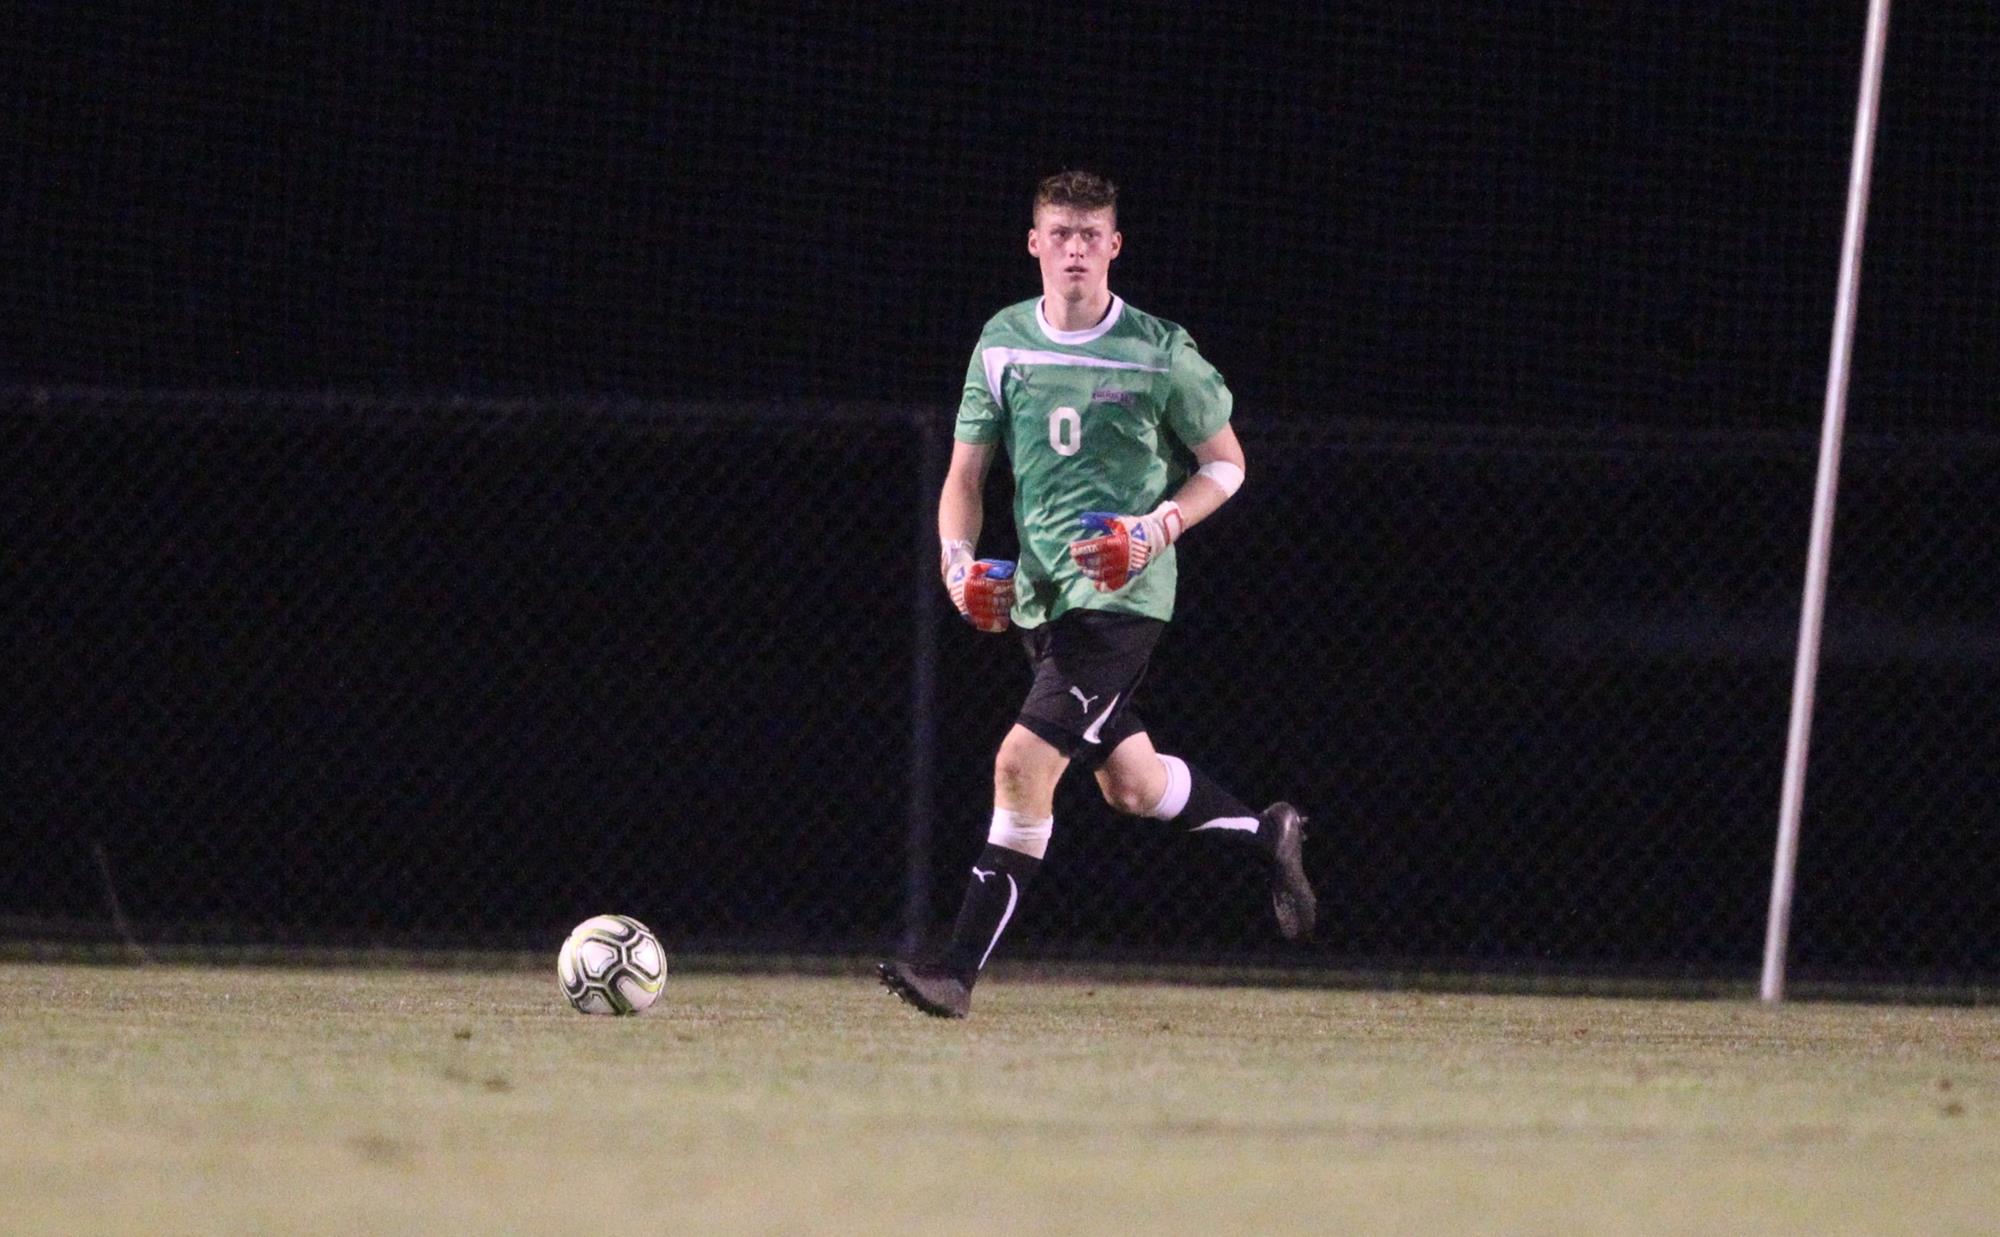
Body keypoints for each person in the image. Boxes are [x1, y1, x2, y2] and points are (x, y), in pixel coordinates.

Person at [879, 170, 1315, 1020]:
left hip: (1122, 601)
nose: (1076, 247)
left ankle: (955, 972)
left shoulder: (1159, 348)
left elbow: (1227, 463)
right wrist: (958, 562)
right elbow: (966, 474)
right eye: (1061, 233)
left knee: (1021, 762)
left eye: (1092, 234)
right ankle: (1269, 833)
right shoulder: (1002, 341)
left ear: (1114, 246)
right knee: (1134, 786)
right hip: (1042, 601)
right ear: (1035, 243)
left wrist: (1155, 528)